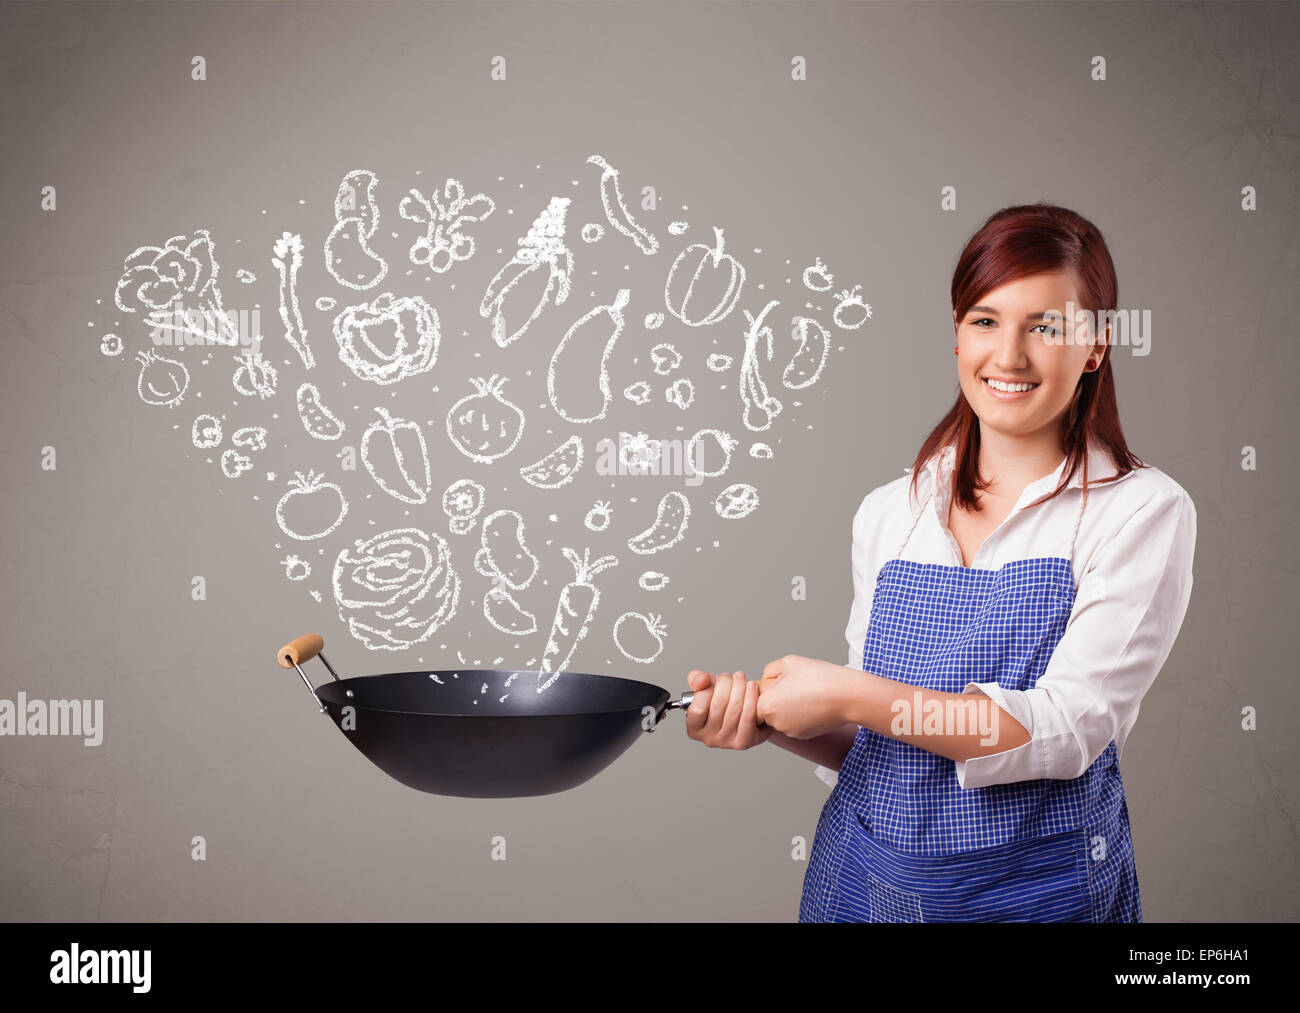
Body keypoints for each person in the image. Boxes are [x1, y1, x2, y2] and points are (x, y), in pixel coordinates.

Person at [684, 203, 1196, 922]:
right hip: (865, 884)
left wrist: (849, 693)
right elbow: (880, 741)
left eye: (1045, 327)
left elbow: (1069, 727)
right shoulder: (891, 511)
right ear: (956, 335)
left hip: (1032, 891)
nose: (1009, 356)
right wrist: (772, 722)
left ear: (1095, 347)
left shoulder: (1139, 510)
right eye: (984, 320)